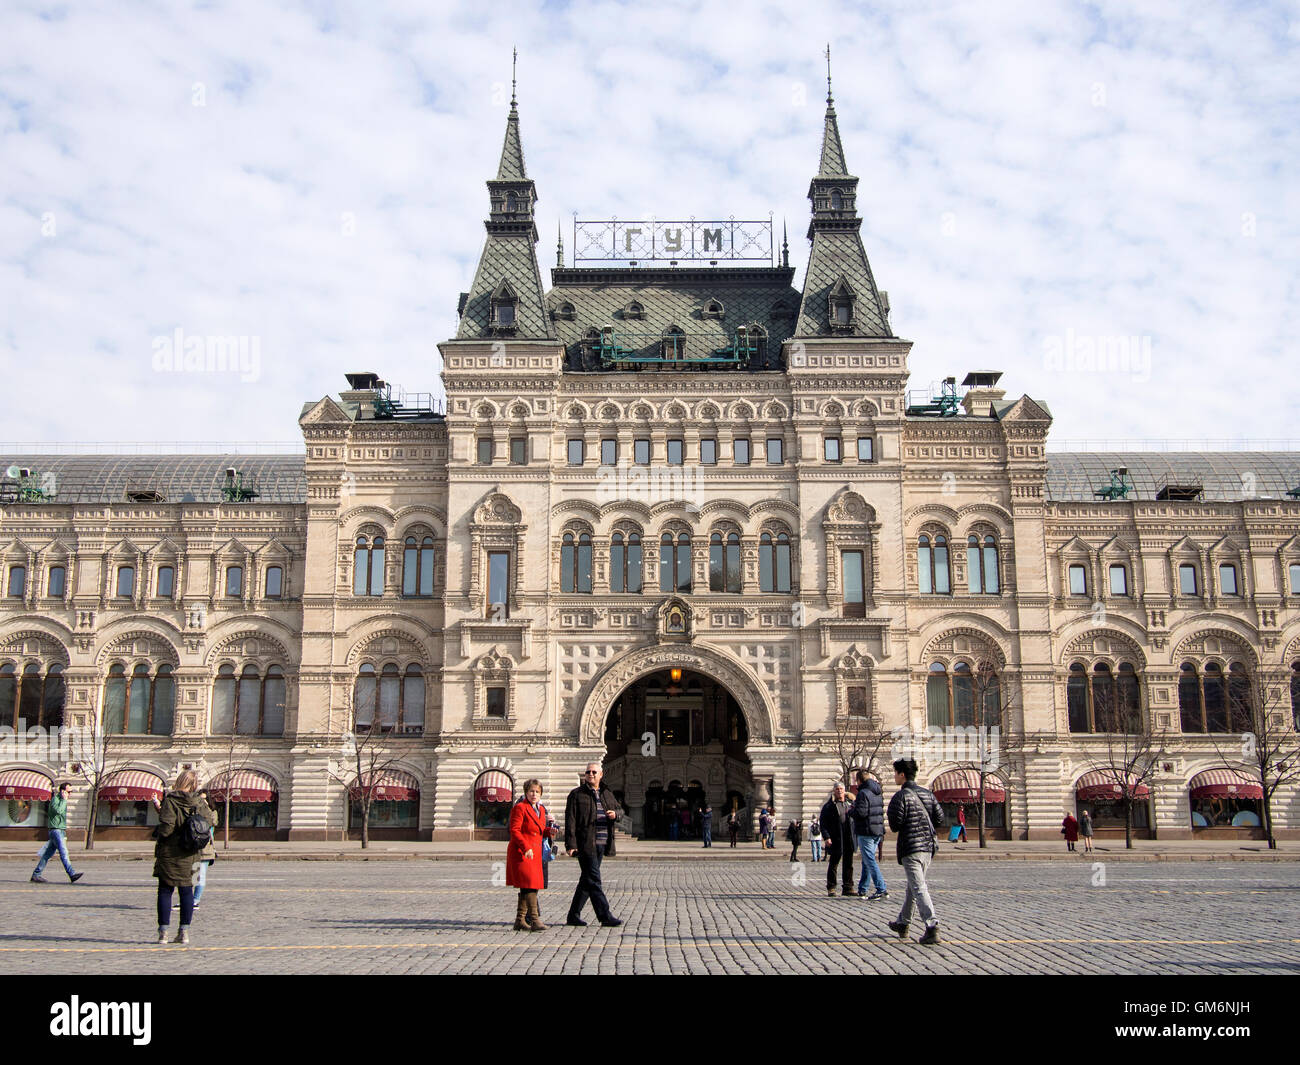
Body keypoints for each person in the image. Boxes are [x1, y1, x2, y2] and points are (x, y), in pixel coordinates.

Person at [886, 758, 945, 945]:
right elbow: (940, 818)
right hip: (928, 847)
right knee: (913, 886)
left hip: (911, 848)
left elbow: (895, 825)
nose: (894, 776)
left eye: (895, 773)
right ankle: (903, 922)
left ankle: (932, 926)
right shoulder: (928, 794)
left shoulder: (900, 796)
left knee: (919, 887)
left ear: (902, 774)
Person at [153, 769, 208, 944]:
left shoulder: (171, 800)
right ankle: (184, 932)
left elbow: (167, 828)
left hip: (170, 853)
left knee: (165, 891)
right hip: (194, 853)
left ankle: (163, 933)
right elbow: (211, 821)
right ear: (194, 784)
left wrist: (159, 832)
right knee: (188, 892)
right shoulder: (199, 802)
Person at [564, 763, 622, 928]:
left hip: (602, 843)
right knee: (594, 879)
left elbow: (621, 811)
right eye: (588, 772)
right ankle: (605, 916)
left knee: (587, 880)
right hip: (585, 843)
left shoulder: (607, 793)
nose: (590, 774)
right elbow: (571, 820)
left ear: (601, 774)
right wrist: (571, 844)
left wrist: (615, 814)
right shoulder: (576, 794)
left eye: (594, 772)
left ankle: (573, 915)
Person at [507, 778, 550, 931]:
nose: (534, 794)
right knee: (529, 885)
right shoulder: (520, 808)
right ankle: (534, 919)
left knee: (529, 885)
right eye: (531, 791)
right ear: (526, 792)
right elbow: (515, 830)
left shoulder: (541, 809)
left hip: (535, 852)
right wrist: (525, 847)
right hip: (523, 852)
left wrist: (550, 831)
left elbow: (540, 830)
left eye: (537, 792)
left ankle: (519, 920)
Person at [30, 781, 83, 885]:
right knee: (64, 852)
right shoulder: (56, 800)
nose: (70, 794)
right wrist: (64, 800)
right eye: (69, 791)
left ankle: (36, 875)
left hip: (60, 830)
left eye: (71, 792)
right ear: (63, 791)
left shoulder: (61, 800)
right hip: (56, 830)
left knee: (47, 855)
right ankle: (71, 874)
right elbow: (58, 811)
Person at [851, 770, 888, 900]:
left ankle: (881, 888)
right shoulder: (878, 792)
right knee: (867, 860)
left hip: (866, 830)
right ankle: (863, 888)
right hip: (877, 830)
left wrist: (851, 811)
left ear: (859, 780)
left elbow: (861, 813)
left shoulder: (863, 793)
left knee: (869, 860)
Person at [819, 783, 855, 897]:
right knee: (834, 863)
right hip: (835, 837)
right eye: (837, 789)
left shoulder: (850, 803)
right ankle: (831, 887)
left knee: (849, 863)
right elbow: (823, 823)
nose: (839, 791)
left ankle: (848, 887)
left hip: (849, 836)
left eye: (841, 789)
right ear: (834, 791)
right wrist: (826, 837)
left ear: (845, 790)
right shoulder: (829, 806)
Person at [191, 788, 219, 909]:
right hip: (193, 847)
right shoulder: (193, 811)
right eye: (200, 799)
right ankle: (188, 900)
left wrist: (205, 809)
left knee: (200, 875)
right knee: (191, 876)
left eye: (204, 799)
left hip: (206, 847)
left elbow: (213, 822)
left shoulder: (212, 811)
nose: (201, 802)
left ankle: (195, 900)